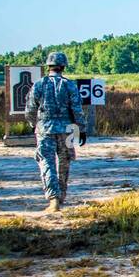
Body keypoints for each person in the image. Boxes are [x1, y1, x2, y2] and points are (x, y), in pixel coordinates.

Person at [24, 52, 86, 213]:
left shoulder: (39, 85)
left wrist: (34, 124)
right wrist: (81, 129)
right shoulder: (69, 85)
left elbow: (30, 109)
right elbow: (77, 110)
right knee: (64, 163)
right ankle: (62, 195)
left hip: (45, 130)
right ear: (63, 66)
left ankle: (53, 199)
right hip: (67, 130)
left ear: (48, 66)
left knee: (47, 163)